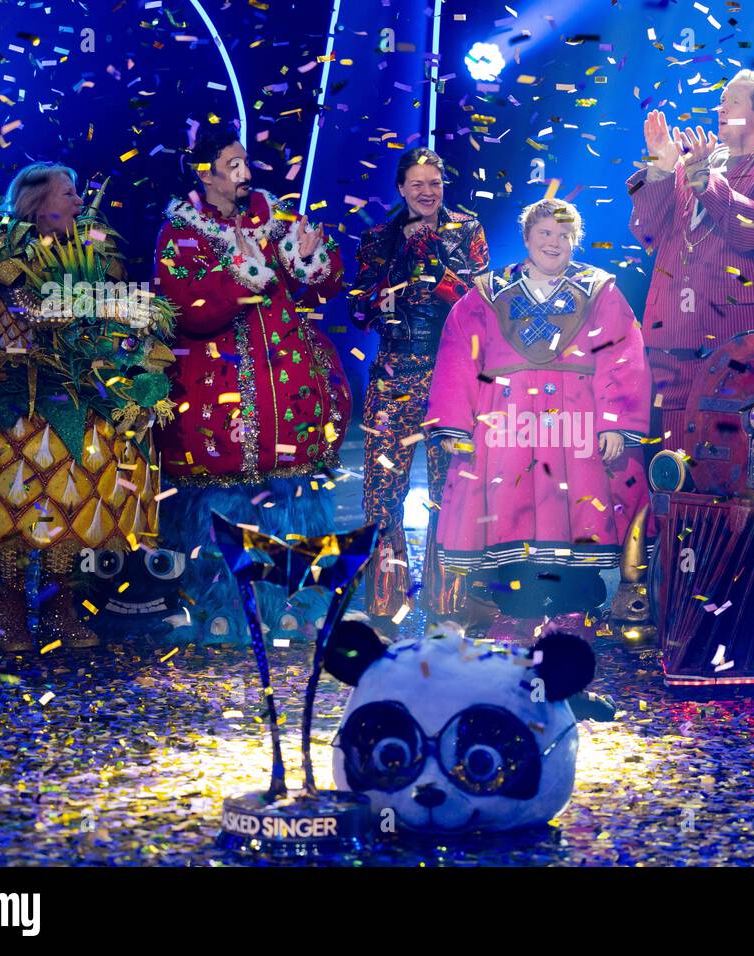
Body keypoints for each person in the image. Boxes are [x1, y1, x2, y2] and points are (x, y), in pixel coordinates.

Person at [0, 163, 176, 651]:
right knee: (9, 496)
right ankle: (10, 609)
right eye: (67, 194)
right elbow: (34, 304)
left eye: (78, 193)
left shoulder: (91, 246)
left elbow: (107, 305)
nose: (79, 202)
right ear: (35, 203)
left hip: (72, 380)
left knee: (70, 496)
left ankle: (59, 607)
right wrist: (97, 303)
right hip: (6, 381)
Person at [153, 122, 352, 645]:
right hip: (218, 402)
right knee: (221, 506)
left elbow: (328, 283)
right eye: (232, 165)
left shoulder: (273, 214)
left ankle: (298, 603)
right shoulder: (182, 232)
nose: (245, 174)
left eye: (246, 163)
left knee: (295, 498)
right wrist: (243, 272)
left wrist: (311, 256)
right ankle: (222, 605)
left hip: (290, 391)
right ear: (206, 175)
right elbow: (187, 310)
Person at [426, 199, 650, 638]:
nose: (554, 242)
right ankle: (518, 613)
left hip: (575, 429)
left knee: (576, 515)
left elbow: (623, 354)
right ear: (527, 238)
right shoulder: (489, 293)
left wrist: (613, 422)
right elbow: (458, 354)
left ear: (575, 242)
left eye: (564, 235)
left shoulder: (599, 290)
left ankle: (572, 615)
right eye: (545, 233)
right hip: (506, 427)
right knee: (512, 513)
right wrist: (455, 422)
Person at [627, 69, 754, 445]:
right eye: (721, 99)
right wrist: (662, 170)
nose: (721, 106)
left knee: (735, 457)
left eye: (733, 100)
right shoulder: (692, 163)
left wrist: (705, 180)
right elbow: (645, 231)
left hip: (737, 342)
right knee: (673, 466)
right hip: (674, 338)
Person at [348, 148, 489, 624]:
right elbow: (359, 312)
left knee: (450, 487)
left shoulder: (467, 229)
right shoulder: (376, 238)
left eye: (436, 182)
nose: (428, 192)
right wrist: (394, 272)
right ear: (401, 188)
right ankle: (386, 604)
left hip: (449, 374)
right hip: (392, 374)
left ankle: (447, 604)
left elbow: (481, 307)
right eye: (417, 184)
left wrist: (437, 264)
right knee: (382, 489)